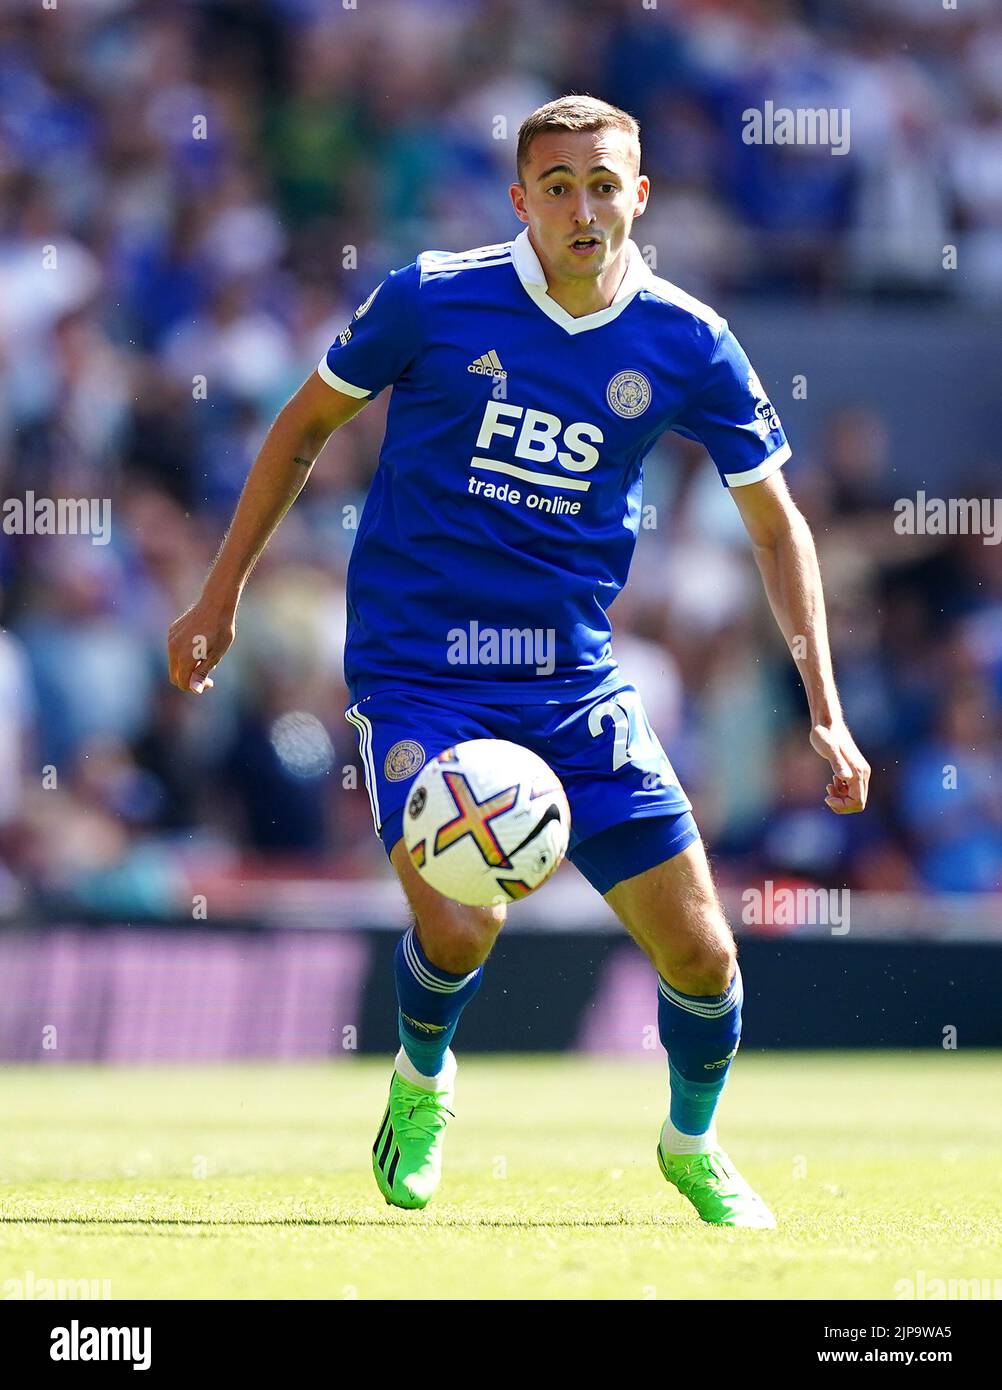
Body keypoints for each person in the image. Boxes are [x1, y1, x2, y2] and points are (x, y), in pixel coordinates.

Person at [167, 95, 870, 1227]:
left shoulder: (689, 340)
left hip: (573, 682)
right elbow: (302, 428)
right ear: (521, 201)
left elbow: (779, 526)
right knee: (461, 919)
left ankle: (691, 1143)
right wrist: (220, 592)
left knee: (701, 955)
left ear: (640, 196)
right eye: (559, 187)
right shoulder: (434, 300)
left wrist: (826, 712)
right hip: (421, 671)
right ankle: (423, 1080)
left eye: (605, 185)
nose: (584, 209)